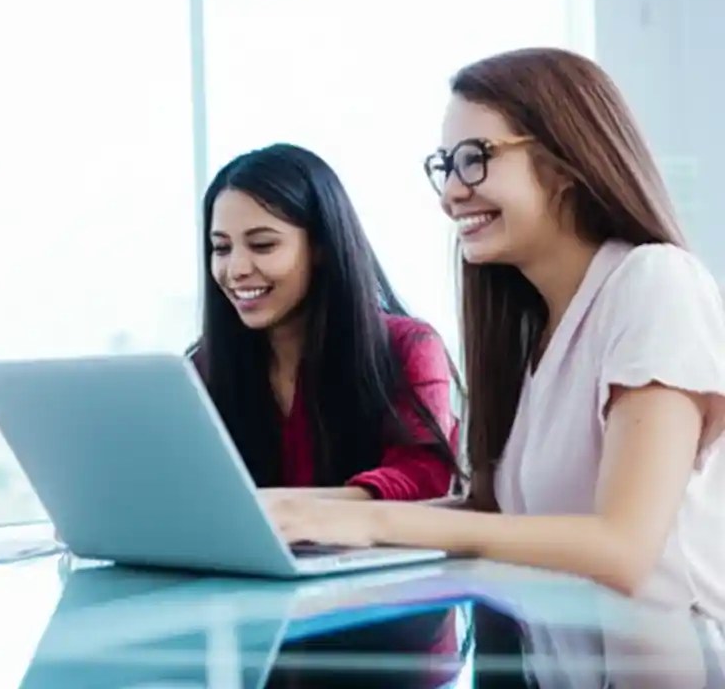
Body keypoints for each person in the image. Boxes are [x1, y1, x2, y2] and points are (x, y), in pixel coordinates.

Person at [267, 48, 725, 616]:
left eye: (474, 158)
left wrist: (367, 518)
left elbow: (622, 549)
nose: (450, 192)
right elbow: (496, 522)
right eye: (444, 165)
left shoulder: (655, 282)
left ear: (564, 164)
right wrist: (291, 510)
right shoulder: (531, 329)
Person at [191, 143, 459, 502]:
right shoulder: (204, 368)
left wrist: (289, 510)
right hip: (247, 557)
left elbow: (423, 473)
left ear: (321, 247)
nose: (235, 269)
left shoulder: (407, 346)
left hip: (376, 553)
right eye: (221, 249)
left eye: (263, 245)